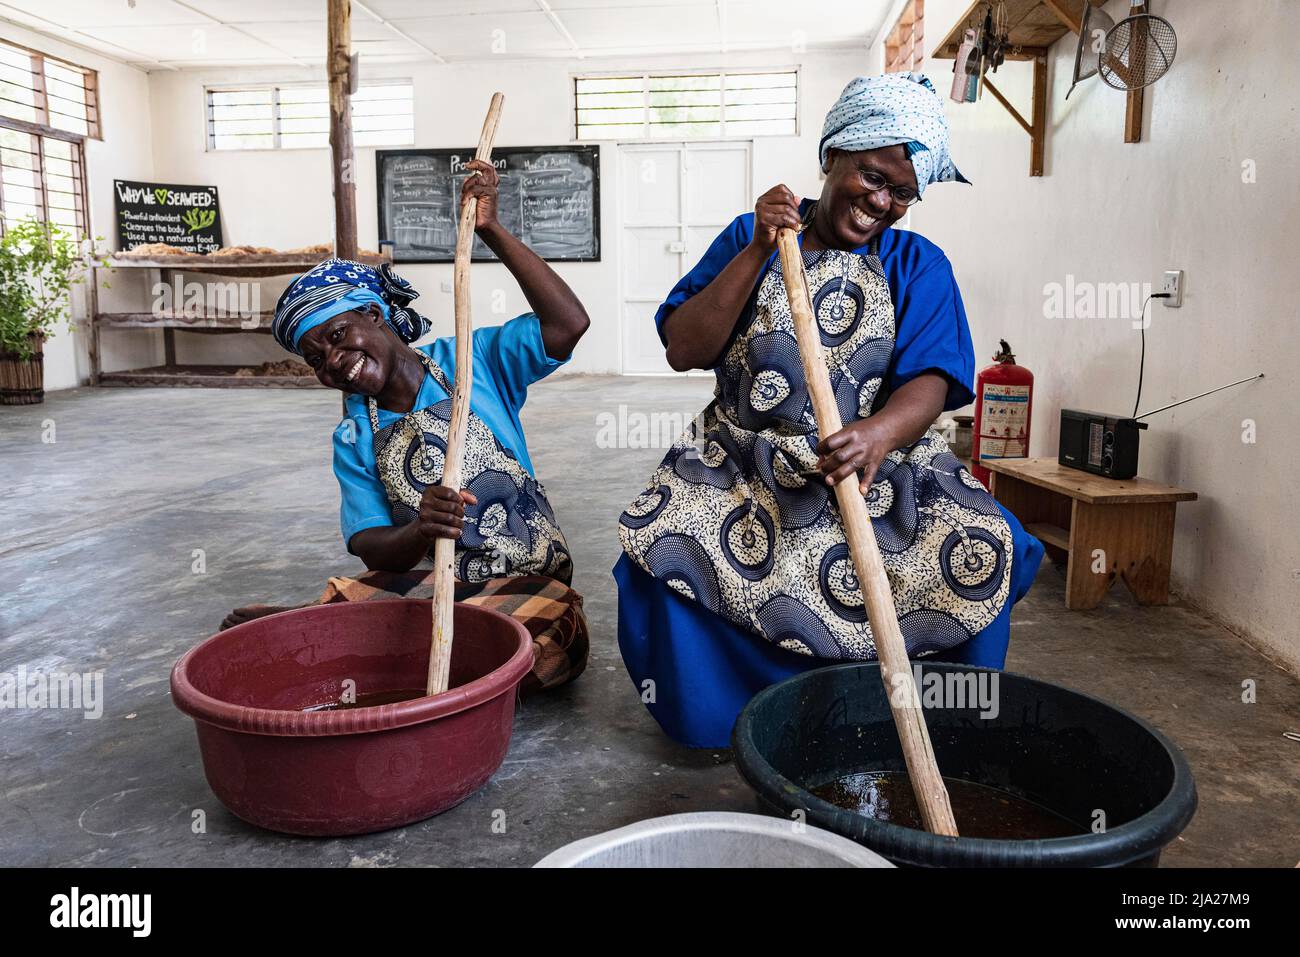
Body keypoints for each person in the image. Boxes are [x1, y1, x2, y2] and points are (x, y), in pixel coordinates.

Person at [615, 73, 1044, 746]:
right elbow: (682, 346)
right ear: (832, 156)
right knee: (664, 539)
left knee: (989, 539)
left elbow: (932, 381)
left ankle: (935, 715)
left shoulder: (916, 263)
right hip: (746, 461)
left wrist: (876, 434)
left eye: (902, 192)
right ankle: (729, 722)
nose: (883, 202)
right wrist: (760, 246)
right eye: (872, 177)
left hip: (877, 463)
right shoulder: (748, 237)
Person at [225, 159, 591, 695]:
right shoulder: (355, 434)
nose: (334, 361)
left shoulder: (474, 359)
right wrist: (421, 529)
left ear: (374, 315)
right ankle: (397, 643)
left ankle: (345, 640)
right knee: (376, 596)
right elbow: (373, 546)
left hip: (527, 578)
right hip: (437, 583)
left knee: (551, 629)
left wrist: (491, 229)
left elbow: (568, 324)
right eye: (316, 359)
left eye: (337, 334)